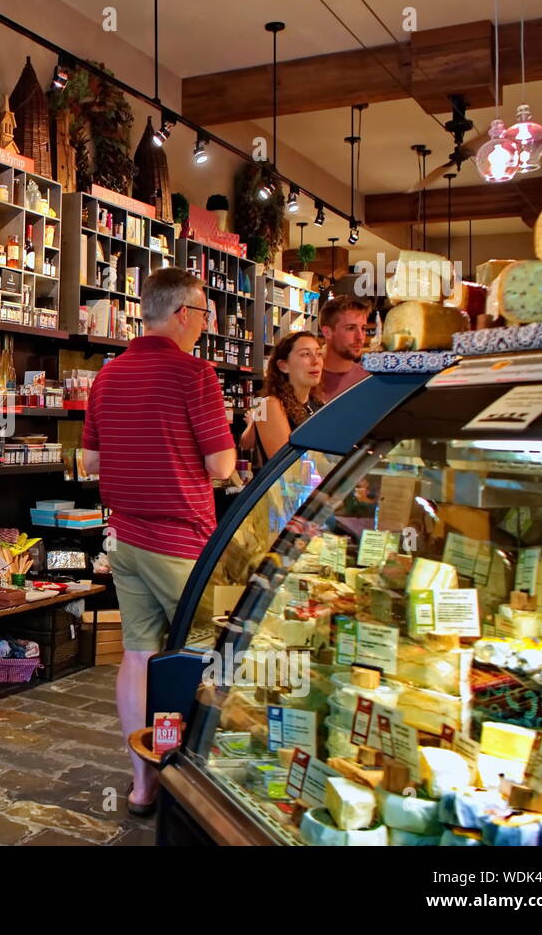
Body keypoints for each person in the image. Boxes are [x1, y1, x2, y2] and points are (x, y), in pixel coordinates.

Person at [81, 268, 236, 816]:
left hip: (123, 535)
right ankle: (195, 778)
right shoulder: (195, 375)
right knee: (205, 656)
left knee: (139, 655)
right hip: (180, 537)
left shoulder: (108, 376)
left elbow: (91, 462)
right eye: (203, 315)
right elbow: (221, 466)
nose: (205, 326)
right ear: (182, 314)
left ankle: (142, 783)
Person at [239, 331, 324, 463]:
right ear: (284, 366)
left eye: (319, 354)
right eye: (306, 354)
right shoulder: (268, 405)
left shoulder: (318, 404)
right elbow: (288, 468)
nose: (316, 361)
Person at [317, 295, 371, 403]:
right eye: (350, 328)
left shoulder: (367, 381)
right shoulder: (308, 377)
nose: (360, 337)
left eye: (363, 328)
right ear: (327, 332)